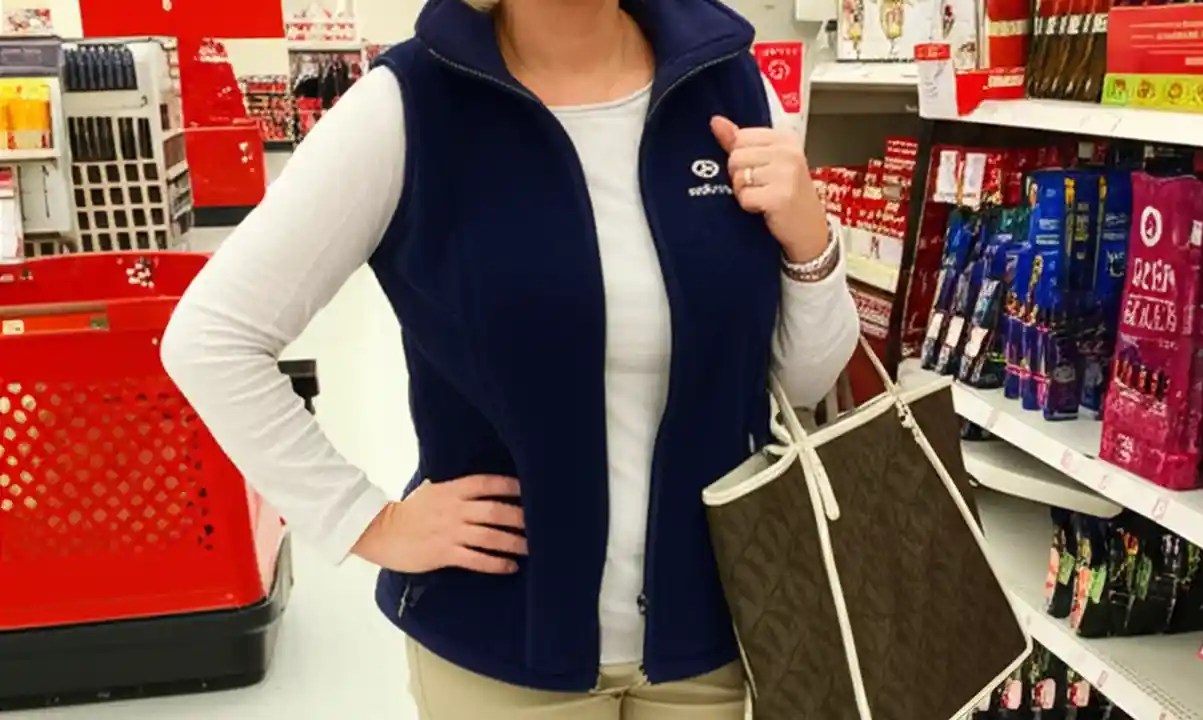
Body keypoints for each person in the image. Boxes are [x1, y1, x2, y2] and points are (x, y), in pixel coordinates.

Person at [160, 0, 860, 716]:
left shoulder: (729, 84)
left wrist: (810, 239)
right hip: (505, 653)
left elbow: (801, 380)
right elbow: (212, 338)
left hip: (715, 635)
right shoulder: (410, 107)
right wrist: (367, 521)